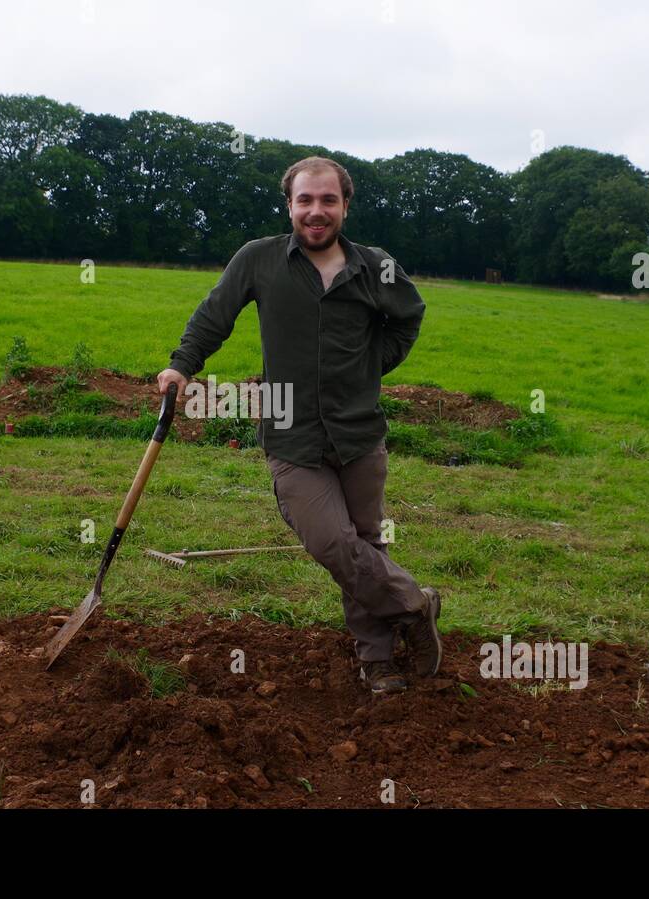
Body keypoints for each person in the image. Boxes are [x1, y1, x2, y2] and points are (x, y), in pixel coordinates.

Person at [156, 155, 440, 694]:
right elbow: (214, 316)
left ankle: (376, 661)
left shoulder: (377, 265)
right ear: (289, 204)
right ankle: (415, 604)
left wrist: (373, 362)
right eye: (305, 200)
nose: (316, 211)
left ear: (345, 205)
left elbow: (408, 316)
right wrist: (182, 364)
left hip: (360, 434)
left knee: (365, 547)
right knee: (333, 541)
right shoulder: (258, 260)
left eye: (327, 200)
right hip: (291, 434)